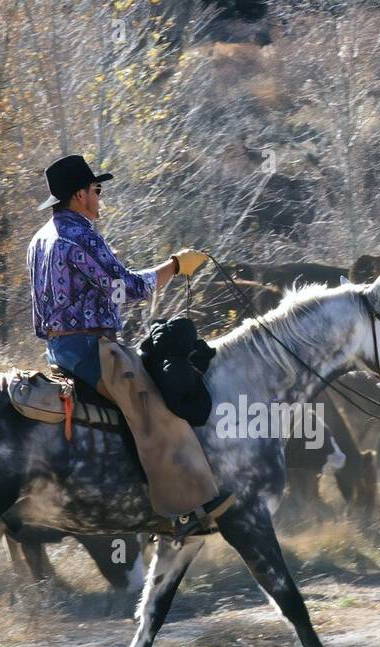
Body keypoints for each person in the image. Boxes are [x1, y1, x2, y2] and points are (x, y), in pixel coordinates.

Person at [27, 154, 229, 537]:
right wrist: (175, 266)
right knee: (152, 404)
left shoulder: (41, 238)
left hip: (57, 350)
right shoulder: (80, 235)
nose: (100, 197)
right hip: (92, 350)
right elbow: (128, 288)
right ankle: (181, 508)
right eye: (97, 190)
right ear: (80, 195)